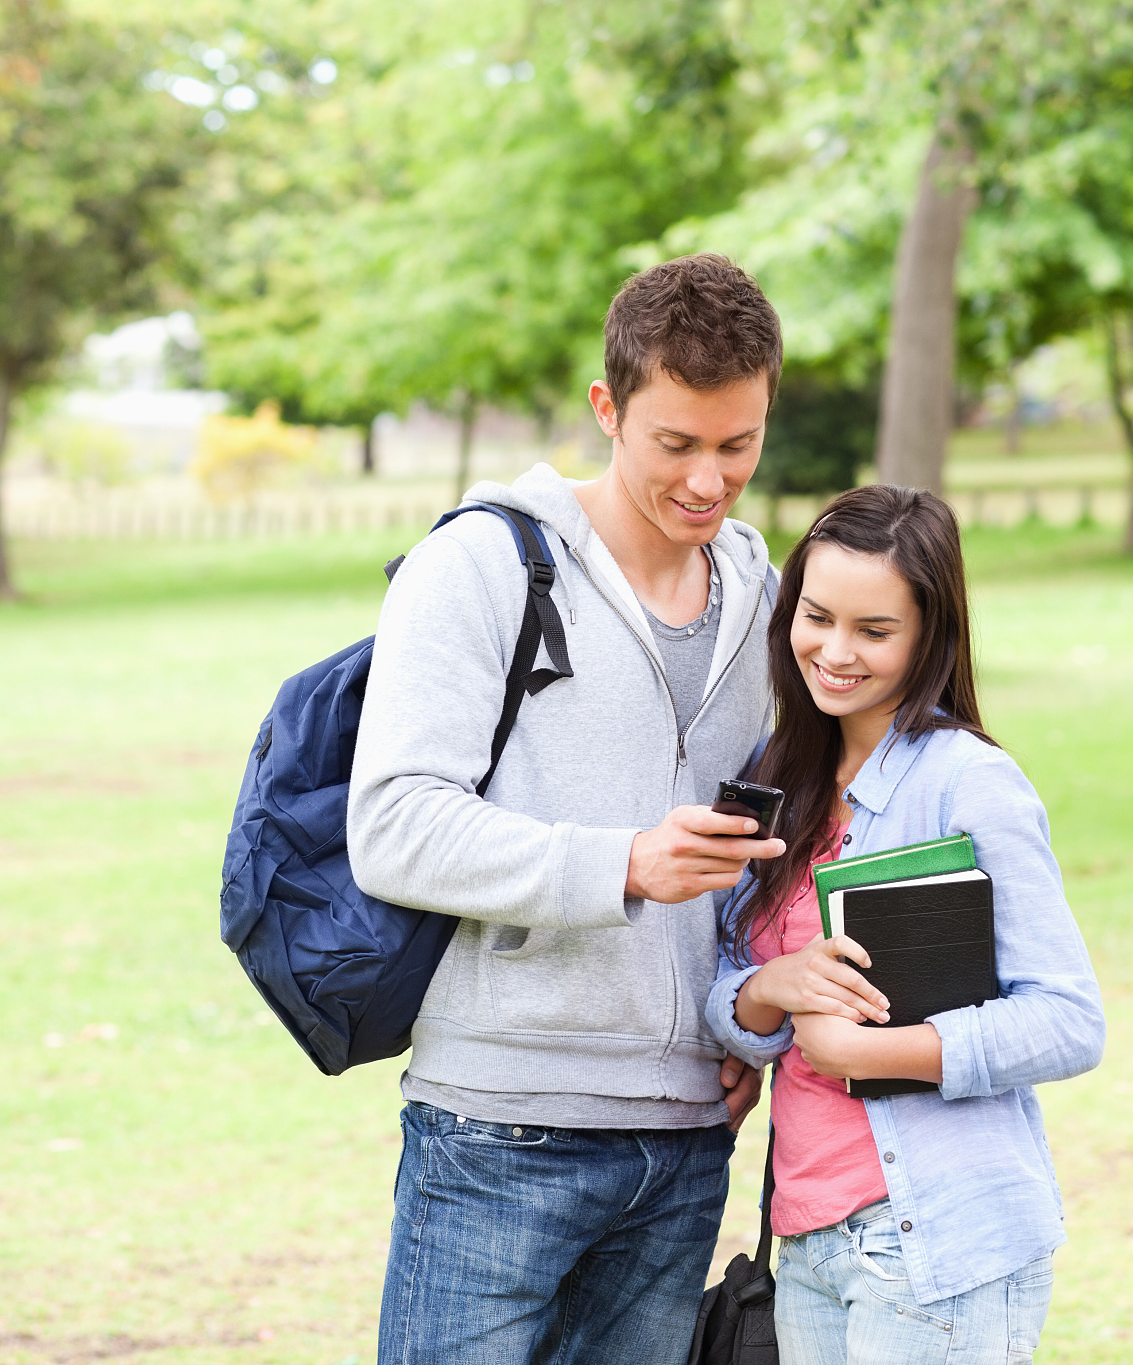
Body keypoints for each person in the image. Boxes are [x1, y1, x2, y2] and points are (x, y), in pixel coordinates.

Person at [349, 253, 790, 1365]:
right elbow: (393, 821)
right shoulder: (481, 565)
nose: (706, 481)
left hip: (688, 1134)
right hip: (500, 1124)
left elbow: (766, 850)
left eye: (735, 446)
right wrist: (623, 863)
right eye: (674, 444)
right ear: (606, 408)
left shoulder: (763, 591)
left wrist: (744, 1016)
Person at [707, 485, 1104, 1364]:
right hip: (808, 1238)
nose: (835, 652)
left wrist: (869, 1052)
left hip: (939, 1244)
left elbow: (1069, 1019)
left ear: (930, 635)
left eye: (874, 631)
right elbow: (727, 977)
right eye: (817, 616)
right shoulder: (777, 777)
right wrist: (770, 990)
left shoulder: (967, 784)